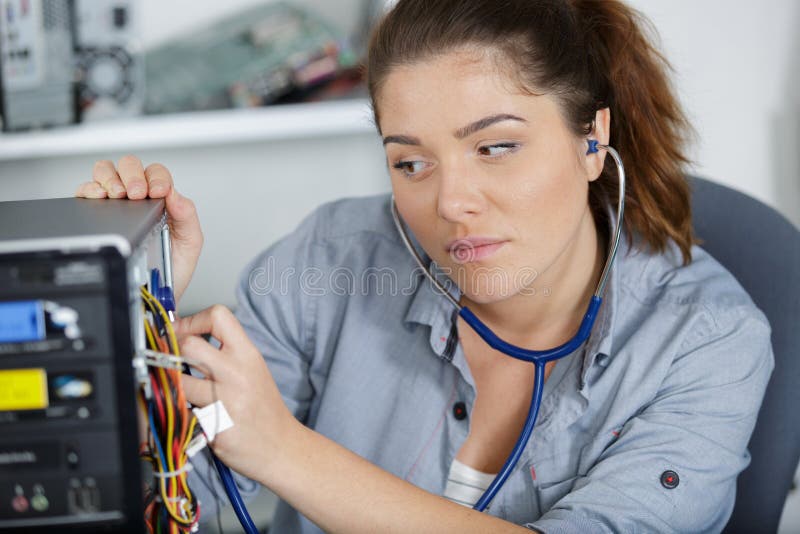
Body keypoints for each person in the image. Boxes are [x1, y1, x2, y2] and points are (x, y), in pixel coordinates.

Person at [75, 0, 774, 531]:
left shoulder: (706, 340)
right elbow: (167, 495)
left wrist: (284, 451)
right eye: (410, 162)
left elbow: (262, 443)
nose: (451, 201)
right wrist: (131, 317)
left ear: (591, 140)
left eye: (496, 147)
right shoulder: (328, 262)